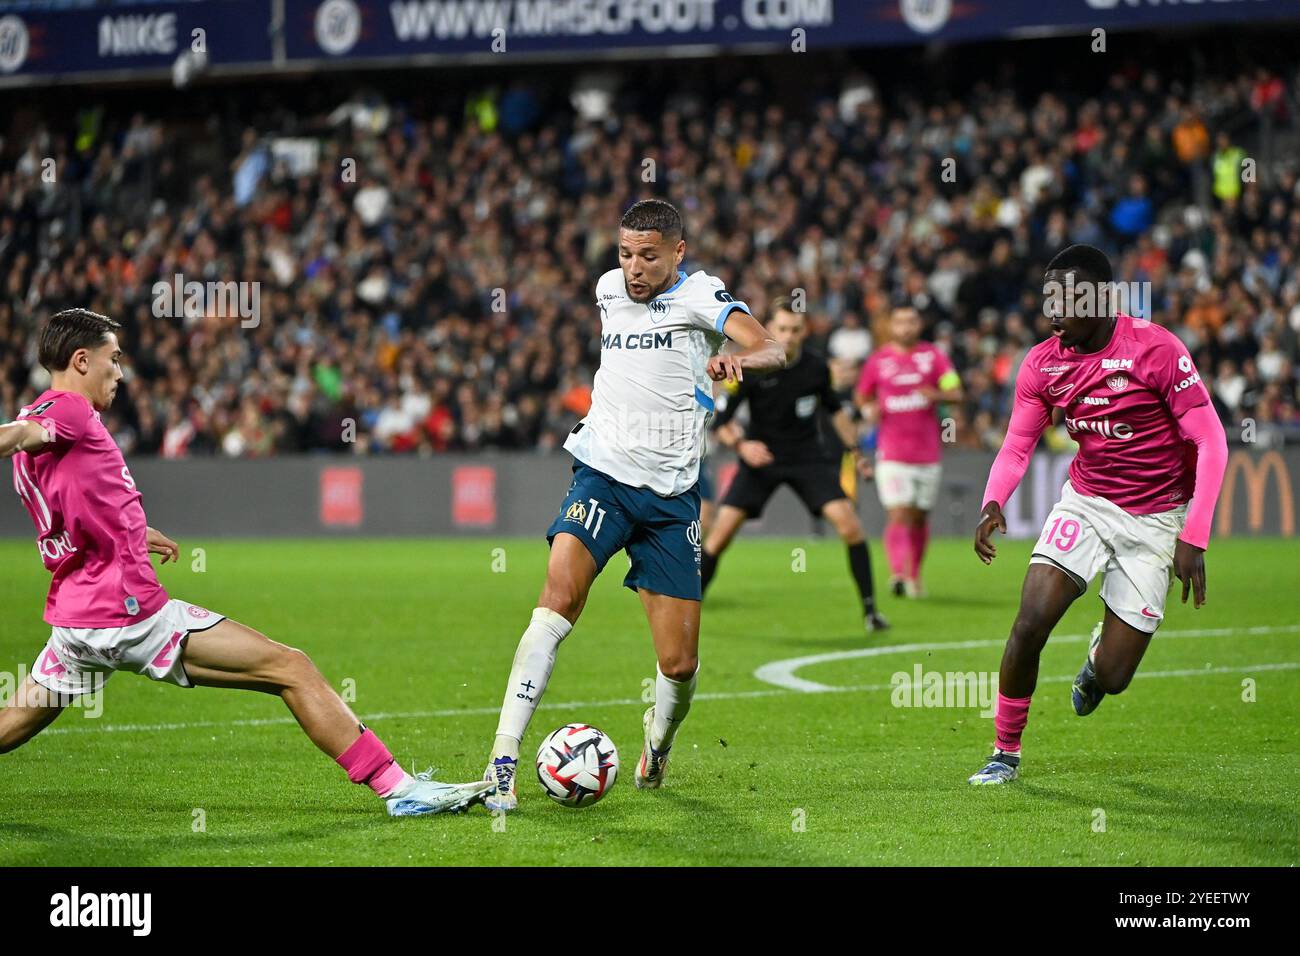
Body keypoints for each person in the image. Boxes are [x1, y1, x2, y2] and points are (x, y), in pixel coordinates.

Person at [0, 308, 491, 817]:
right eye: (113, 359)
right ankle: (399, 789)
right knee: (291, 668)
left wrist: (132, 530)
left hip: (74, 621)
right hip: (127, 615)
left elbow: (69, 503)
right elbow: (17, 435)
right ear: (81, 360)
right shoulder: (69, 412)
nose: (120, 373)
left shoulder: (44, 414)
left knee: (12, 721)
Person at [482, 199, 785, 810]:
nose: (633, 268)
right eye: (624, 253)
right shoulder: (607, 291)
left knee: (678, 663)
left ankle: (658, 744)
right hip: (602, 477)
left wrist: (735, 358)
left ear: (677, 251)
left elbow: (773, 348)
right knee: (557, 600)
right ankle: (501, 762)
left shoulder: (702, 295)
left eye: (648, 255)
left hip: (672, 499)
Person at [969, 245, 1228, 785]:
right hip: (1087, 503)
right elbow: (1018, 444)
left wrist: (1194, 535)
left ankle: (1095, 665)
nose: (1053, 309)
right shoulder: (1043, 362)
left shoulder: (1155, 349)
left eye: (1067, 297)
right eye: (1049, 297)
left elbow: (1212, 440)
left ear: (1103, 297)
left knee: (1113, 676)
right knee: (1030, 621)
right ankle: (1005, 752)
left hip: (1157, 519)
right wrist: (993, 501)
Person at [700, 298, 888, 633]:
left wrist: (857, 454)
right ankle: (691, 607)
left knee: (851, 527)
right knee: (719, 536)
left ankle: (871, 611)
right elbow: (722, 422)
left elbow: (835, 411)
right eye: (782, 328)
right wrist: (743, 446)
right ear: (770, 329)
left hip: (806, 459)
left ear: (806, 331)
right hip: (762, 460)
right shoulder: (752, 367)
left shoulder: (816, 368)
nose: (788, 336)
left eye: (795, 329)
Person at [855, 306, 963, 597]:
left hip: (927, 454)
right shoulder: (878, 361)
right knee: (898, 512)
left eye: (911, 320)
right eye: (900, 321)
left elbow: (956, 392)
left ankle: (915, 575)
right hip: (891, 453)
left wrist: (937, 395)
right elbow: (862, 396)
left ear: (919, 324)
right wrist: (869, 410)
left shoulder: (934, 357)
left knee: (919, 517)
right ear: (891, 325)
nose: (906, 326)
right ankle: (898, 574)